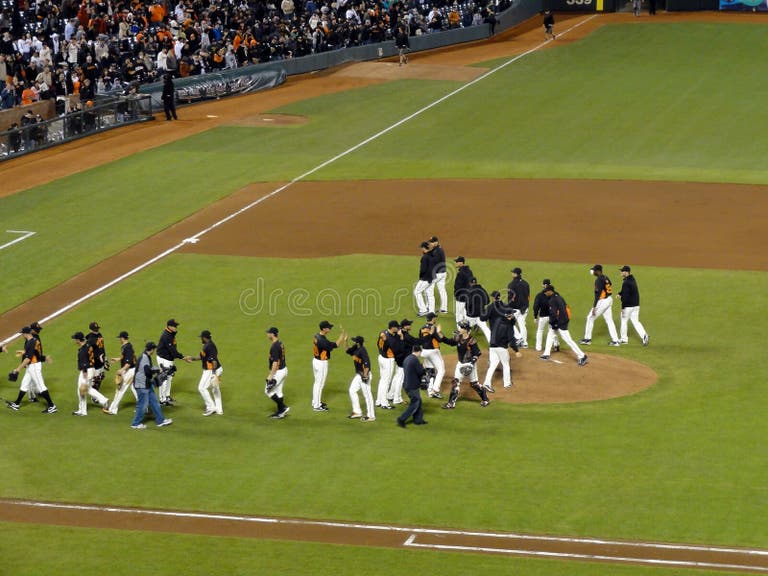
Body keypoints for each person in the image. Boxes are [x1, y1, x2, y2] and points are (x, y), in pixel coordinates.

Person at [6, 326, 57, 413]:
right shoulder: (32, 340)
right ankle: (17, 404)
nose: (22, 335)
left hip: (34, 366)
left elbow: (28, 359)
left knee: (41, 386)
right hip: (31, 366)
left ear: (26, 334)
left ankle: (52, 406)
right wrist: (23, 352)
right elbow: (34, 352)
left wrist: (17, 369)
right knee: (24, 384)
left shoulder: (31, 342)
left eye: (22, 334)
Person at [441, 321, 489, 408]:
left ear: (466, 329)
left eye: (461, 327)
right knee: (455, 382)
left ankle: (485, 399)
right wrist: (442, 336)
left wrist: (471, 363)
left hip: (470, 365)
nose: (459, 328)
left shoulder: (471, 341)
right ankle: (451, 403)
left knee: (474, 384)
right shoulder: (458, 337)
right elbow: (450, 342)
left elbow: (477, 353)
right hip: (460, 364)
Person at [480, 291, 521, 391]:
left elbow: (483, 318)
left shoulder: (497, 322)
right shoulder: (509, 325)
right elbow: (511, 340)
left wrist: (483, 310)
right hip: (501, 347)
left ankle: (486, 383)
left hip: (492, 345)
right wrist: (516, 351)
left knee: (493, 364)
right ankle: (507, 383)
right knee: (506, 364)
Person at [540, 285, 588, 366]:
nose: (545, 293)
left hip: (560, 322)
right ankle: (546, 354)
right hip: (563, 320)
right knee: (550, 334)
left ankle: (582, 356)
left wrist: (554, 323)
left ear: (550, 291)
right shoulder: (558, 297)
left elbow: (553, 313)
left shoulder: (552, 300)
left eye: (546, 291)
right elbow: (565, 308)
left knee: (568, 339)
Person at [130, 341, 173, 429]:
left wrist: (160, 369)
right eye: (154, 349)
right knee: (142, 405)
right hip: (141, 385)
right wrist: (157, 371)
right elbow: (147, 371)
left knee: (154, 403)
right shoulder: (144, 358)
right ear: (152, 349)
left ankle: (160, 421)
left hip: (147, 384)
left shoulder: (146, 356)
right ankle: (135, 424)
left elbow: (149, 368)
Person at [71, 331, 110, 416]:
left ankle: (82, 411)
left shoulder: (82, 350)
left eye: (75, 339)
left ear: (78, 340)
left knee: (81, 389)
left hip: (86, 371)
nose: (74, 341)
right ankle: (104, 400)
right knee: (88, 389)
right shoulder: (88, 345)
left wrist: (84, 375)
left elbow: (84, 363)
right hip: (92, 369)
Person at [581, 264, 621, 346]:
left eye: (594, 270)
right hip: (609, 299)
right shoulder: (605, 277)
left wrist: (594, 307)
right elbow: (610, 283)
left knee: (590, 318)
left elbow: (597, 294)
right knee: (609, 320)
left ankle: (587, 339)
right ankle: (615, 341)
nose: (593, 272)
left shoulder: (598, 280)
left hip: (603, 301)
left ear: (598, 271)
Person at [157, 319, 194, 405]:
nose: (176, 327)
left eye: (176, 326)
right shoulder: (166, 336)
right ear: (169, 326)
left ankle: (167, 396)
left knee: (169, 377)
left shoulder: (171, 334)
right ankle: (162, 400)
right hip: (164, 359)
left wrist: (182, 357)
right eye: (174, 326)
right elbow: (173, 351)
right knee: (164, 379)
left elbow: (172, 351)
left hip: (168, 359)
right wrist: (183, 357)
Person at [311, 320, 346, 411]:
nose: (330, 328)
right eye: (328, 327)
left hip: (315, 361)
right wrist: (342, 336)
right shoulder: (322, 340)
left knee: (317, 383)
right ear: (324, 329)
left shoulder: (317, 336)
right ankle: (317, 406)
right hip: (321, 363)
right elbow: (336, 345)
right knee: (320, 384)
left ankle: (315, 401)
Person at [105, 331, 137, 415]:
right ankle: (144, 407)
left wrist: (122, 369)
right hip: (131, 370)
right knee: (134, 388)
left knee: (120, 389)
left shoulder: (128, 347)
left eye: (120, 338)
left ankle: (112, 409)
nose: (119, 339)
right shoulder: (125, 346)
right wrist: (118, 359)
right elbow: (125, 356)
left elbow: (129, 362)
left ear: (123, 338)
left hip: (130, 370)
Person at [390, 318, 420, 406]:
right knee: (400, 379)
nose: (410, 326)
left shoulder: (399, 333)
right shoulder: (402, 335)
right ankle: (397, 399)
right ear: (405, 326)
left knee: (396, 377)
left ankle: (390, 395)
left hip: (399, 359)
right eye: (409, 324)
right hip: (403, 359)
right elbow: (411, 343)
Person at [396, 345, 428, 427]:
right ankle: (401, 419)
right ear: (418, 351)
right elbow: (420, 372)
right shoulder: (414, 360)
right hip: (412, 386)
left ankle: (418, 420)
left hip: (407, 384)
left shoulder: (407, 358)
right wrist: (423, 367)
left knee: (418, 401)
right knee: (415, 403)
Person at [617, 265, 649, 346]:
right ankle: (644, 335)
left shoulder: (626, 282)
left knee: (623, 321)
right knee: (636, 321)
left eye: (622, 271)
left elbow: (626, 296)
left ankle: (624, 339)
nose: (621, 272)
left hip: (628, 306)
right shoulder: (632, 279)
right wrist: (620, 293)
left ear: (626, 272)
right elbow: (628, 291)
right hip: (636, 305)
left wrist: (622, 308)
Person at [346, 336, 375, 421]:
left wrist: (365, 376)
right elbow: (347, 351)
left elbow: (367, 364)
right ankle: (357, 411)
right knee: (352, 390)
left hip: (364, 375)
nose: (354, 342)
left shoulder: (362, 350)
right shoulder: (355, 348)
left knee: (367, 395)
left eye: (355, 341)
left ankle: (371, 416)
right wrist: (346, 341)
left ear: (358, 343)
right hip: (359, 375)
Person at [418, 313, 447, 398]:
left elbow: (421, 339)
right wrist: (439, 332)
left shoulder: (422, 328)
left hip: (424, 351)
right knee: (441, 370)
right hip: (433, 351)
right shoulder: (433, 328)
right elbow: (439, 340)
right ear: (433, 319)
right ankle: (435, 389)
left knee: (430, 370)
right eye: (435, 318)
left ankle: (430, 391)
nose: (435, 319)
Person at [265, 327, 290, 419]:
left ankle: (283, 407)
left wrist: (271, 376)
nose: (267, 334)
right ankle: (280, 413)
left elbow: (275, 362)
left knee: (267, 390)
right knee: (279, 392)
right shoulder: (280, 343)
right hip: (283, 370)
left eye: (268, 333)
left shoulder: (274, 346)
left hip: (278, 372)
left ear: (272, 334)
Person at [375, 320, 400, 410]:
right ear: (392, 327)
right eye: (396, 327)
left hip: (381, 357)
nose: (398, 328)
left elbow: (378, 344)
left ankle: (378, 400)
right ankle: (384, 403)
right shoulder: (391, 338)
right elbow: (394, 347)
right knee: (387, 381)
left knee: (382, 380)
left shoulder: (382, 332)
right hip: (388, 360)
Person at [198, 330, 223, 416]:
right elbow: (202, 357)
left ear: (204, 338)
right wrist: (191, 358)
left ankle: (211, 407)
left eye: (201, 337)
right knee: (215, 389)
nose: (201, 339)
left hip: (211, 370)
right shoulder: (207, 345)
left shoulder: (210, 346)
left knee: (202, 388)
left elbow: (214, 361)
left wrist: (213, 374)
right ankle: (219, 410)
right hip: (216, 369)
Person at [532, 278, 559, 353]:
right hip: (553, 316)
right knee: (553, 330)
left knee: (540, 330)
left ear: (545, 285)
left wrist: (535, 316)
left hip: (543, 316)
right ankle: (556, 345)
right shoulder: (555, 294)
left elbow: (536, 306)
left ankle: (538, 347)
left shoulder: (539, 295)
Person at [507, 266, 530, 348]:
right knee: (522, 324)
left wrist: (508, 308)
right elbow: (528, 296)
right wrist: (525, 306)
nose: (512, 273)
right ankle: (524, 343)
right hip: (524, 308)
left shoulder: (511, 284)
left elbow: (510, 298)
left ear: (515, 274)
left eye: (513, 272)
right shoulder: (526, 283)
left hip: (515, 309)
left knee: (508, 322)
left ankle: (519, 338)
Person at [464, 277, 491, 342]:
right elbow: (487, 301)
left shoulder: (469, 291)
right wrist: (481, 305)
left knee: (465, 329)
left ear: (470, 283)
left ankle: (464, 344)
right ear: (476, 282)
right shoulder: (482, 290)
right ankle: (492, 344)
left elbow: (468, 304)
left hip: (471, 316)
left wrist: (468, 311)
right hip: (481, 315)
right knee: (486, 330)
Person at [413, 241, 435, 317]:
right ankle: (430, 310)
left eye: (421, 248)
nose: (421, 249)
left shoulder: (425, 257)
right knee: (429, 293)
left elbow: (423, 270)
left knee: (416, 292)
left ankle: (423, 310)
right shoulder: (431, 256)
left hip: (425, 278)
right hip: (431, 278)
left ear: (423, 248)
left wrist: (421, 277)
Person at [85, 321, 108, 394]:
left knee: (101, 377)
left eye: (97, 328)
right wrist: (98, 357)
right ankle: (94, 395)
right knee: (96, 379)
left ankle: (95, 391)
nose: (97, 330)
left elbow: (102, 348)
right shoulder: (90, 340)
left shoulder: (99, 335)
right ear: (91, 330)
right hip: (95, 363)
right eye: (95, 329)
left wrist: (105, 357)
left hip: (101, 361)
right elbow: (89, 353)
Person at [428, 236, 448, 313]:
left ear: (436, 242)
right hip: (443, 272)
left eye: (432, 242)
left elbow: (434, 261)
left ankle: (429, 308)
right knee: (442, 290)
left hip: (438, 273)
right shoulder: (439, 249)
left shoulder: (437, 251)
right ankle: (444, 309)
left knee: (428, 288)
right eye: (430, 242)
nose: (431, 243)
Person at [453, 256, 474, 325]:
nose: (455, 263)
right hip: (468, 296)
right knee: (465, 313)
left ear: (461, 263)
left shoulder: (461, 273)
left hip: (461, 297)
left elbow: (458, 286)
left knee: (458, 314)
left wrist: (456, 294)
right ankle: (470, 326)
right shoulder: (469, 271)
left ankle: (460, 330)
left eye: (457, 262)